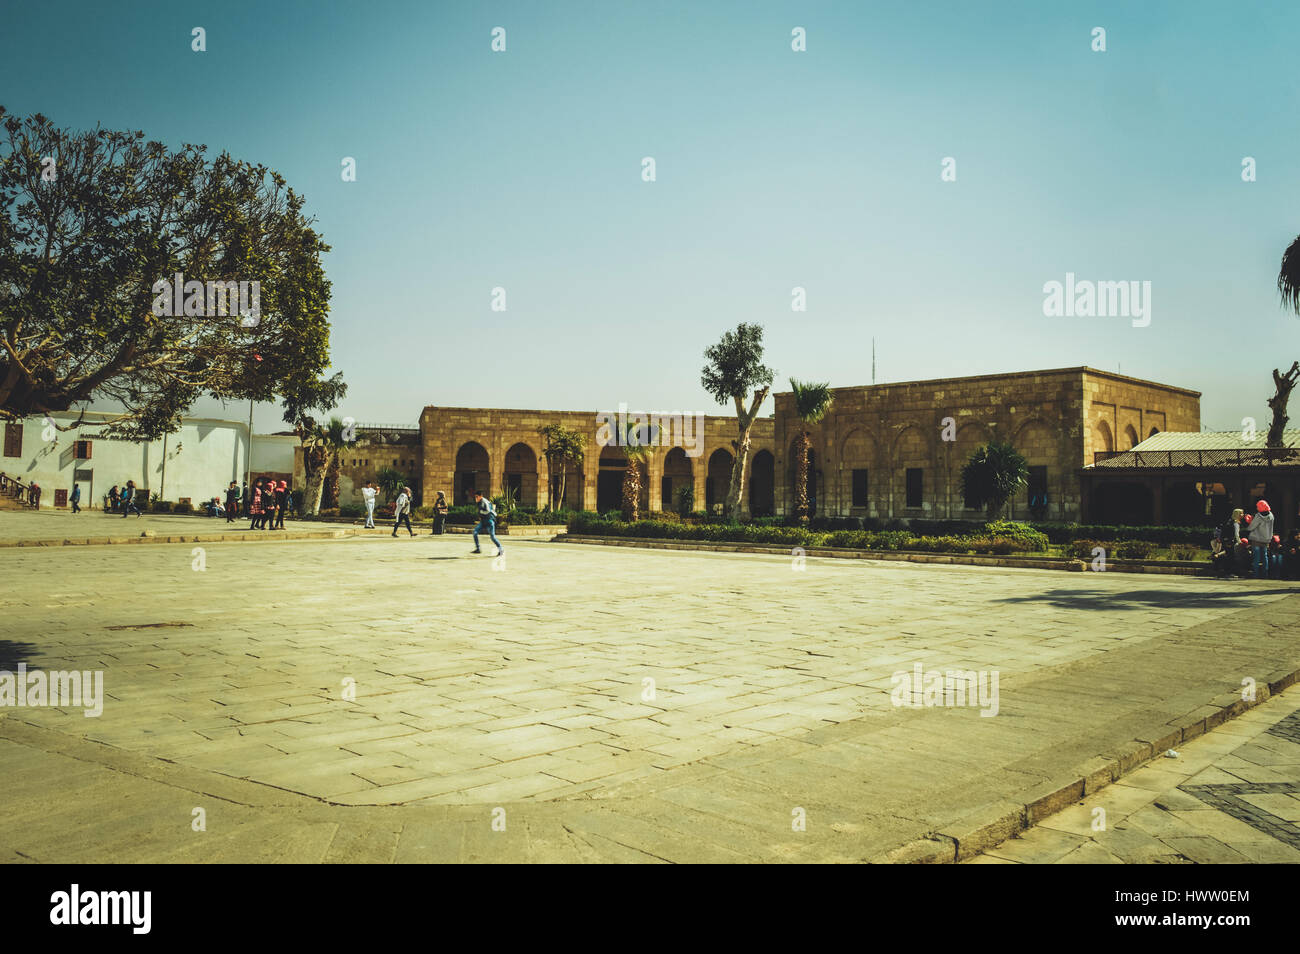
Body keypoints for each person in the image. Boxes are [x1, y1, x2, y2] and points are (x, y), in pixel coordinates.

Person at [1247, 499, 1275, 579]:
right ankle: (1265, 574)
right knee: (1264, 556)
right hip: (1266, 539)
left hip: (1256, 539)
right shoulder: (1271, 515)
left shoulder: (1258, 516)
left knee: (1257, 557)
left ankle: (1256, 574)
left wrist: (1249, 521)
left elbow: (1251, 527)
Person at [470, 489, 502, 556]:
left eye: (477, 496)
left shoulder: (484, 501)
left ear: (480, 496)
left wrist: (481, 512)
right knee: (475, 532)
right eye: (475, 496)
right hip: (483, 521)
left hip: (489, 521)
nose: (476, 498)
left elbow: (488, 511)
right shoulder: (479, 501)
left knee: (493, 537)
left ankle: (501, 550)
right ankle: (478, 548)